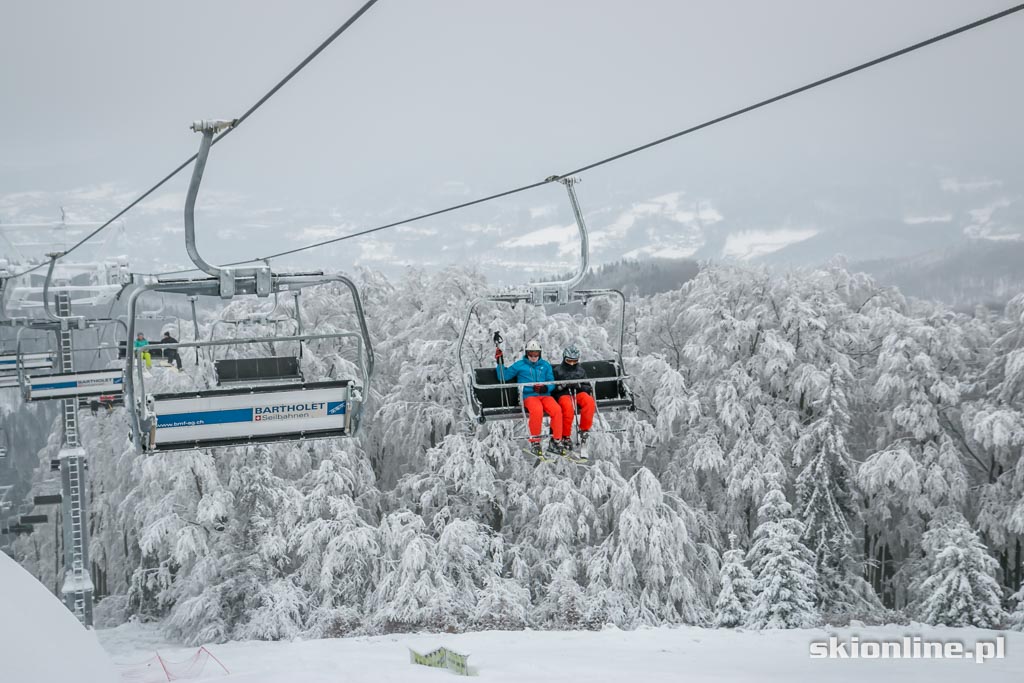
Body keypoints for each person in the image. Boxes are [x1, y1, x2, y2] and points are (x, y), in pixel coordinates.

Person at [495, 339, 563, 458]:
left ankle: (556, 441)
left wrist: (545, 388)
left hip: (544, 395)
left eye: (536, 354)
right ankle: (535, 442)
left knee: (557, 410)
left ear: (539, 354)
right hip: (528, 395)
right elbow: (503, 376)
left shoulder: (545, 365)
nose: (533, 357)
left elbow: (551, 381)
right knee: (537, 410)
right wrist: (499, 362)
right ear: (527, 354)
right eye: (531, 354)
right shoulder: (520, 365)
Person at [552, 345, 595, 452]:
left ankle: (584, 429)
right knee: (568, 407)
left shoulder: (580, 371)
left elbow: (587, 386)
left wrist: (580, 386)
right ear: (564, 358)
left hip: (578, 393)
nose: (571, 363)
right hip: (564, 394)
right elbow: (552, 388)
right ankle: (565, 435)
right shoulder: (558, 371)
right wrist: (562, 386)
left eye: (574, 361)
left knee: (589, 402)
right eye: (569, 361)